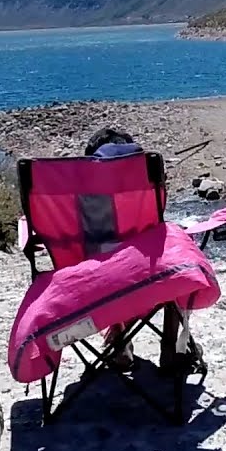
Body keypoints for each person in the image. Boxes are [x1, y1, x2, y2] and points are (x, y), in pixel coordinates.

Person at [85, 127, 141, 370]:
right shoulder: (141, 193)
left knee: (105, 260)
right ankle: (171, 345)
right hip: (147, 275)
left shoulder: (82, 200)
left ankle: (118, 336)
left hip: (89, 282)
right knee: (175, 255)